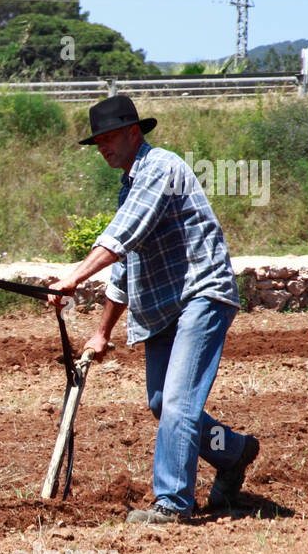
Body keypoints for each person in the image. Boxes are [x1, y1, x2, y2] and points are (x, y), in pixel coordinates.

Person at [48, 95, 259, 524]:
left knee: (180, 401)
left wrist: (74, 276)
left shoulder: (161, 167)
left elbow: (122, 234)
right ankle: (234, 452)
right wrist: (102, 331)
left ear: (133, 132)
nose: (102, 147)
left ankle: (172, 505)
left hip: (202, 293)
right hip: (165, 306)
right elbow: (128, 263)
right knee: (164, 403)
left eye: (107, 137)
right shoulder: (130, 184)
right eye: (97, 141)